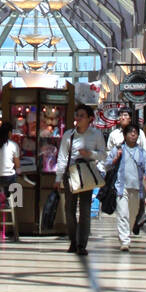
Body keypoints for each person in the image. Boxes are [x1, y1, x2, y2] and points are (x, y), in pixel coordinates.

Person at [54, 104, 106, 255]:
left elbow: (103, 154)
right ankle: (73, 241)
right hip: (71, 173)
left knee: (85, 210)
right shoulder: (69, 135)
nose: (78, 118)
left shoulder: (96, 134)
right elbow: (62, 157)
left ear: (90, 119)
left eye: (81, 115)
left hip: (87, 172)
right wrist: (58, 177)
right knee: (69, 209)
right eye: (77, 115)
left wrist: (90, 153)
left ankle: (82, 244)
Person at [104, 123, 146, 252]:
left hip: (136, 188)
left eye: (135, 132)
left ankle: (127, 233)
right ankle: (125, 240)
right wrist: (115, 158)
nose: (133, 134)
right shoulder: (118, 149)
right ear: (125, 135)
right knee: (122, 213)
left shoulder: (142, 152)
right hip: (121, 187)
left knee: (132, 214)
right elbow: (107, 164)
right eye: (130, 132)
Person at [0, 121, 21, 201]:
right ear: (10, 133)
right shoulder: (14, 145)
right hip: (9, 179)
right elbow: (17, 166)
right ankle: (7, 200)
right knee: (15, 181)